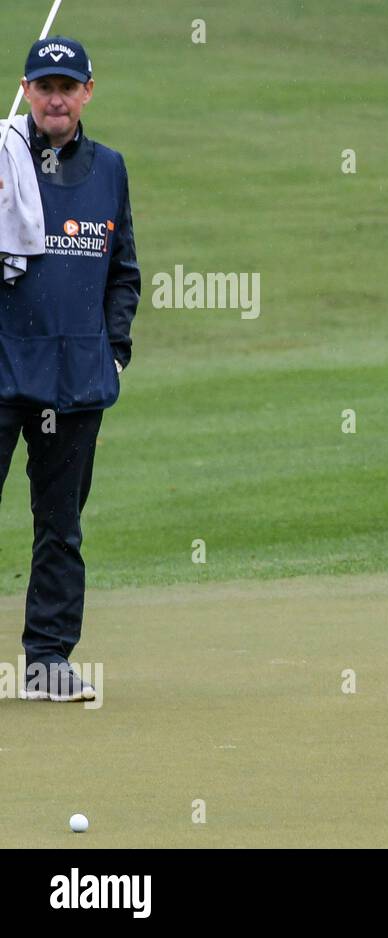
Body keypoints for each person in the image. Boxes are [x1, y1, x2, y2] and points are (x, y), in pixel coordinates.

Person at [0, 37, 140, 700]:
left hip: (77, 380)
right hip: (4, 372)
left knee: (61, 526)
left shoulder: (109, 168)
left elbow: (123, 273)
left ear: (88, 91)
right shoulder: (0, 158)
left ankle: (47, 661)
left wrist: (114, 347)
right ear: (25, 89)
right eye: (44, 84)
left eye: (68, 85)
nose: (56, 96)